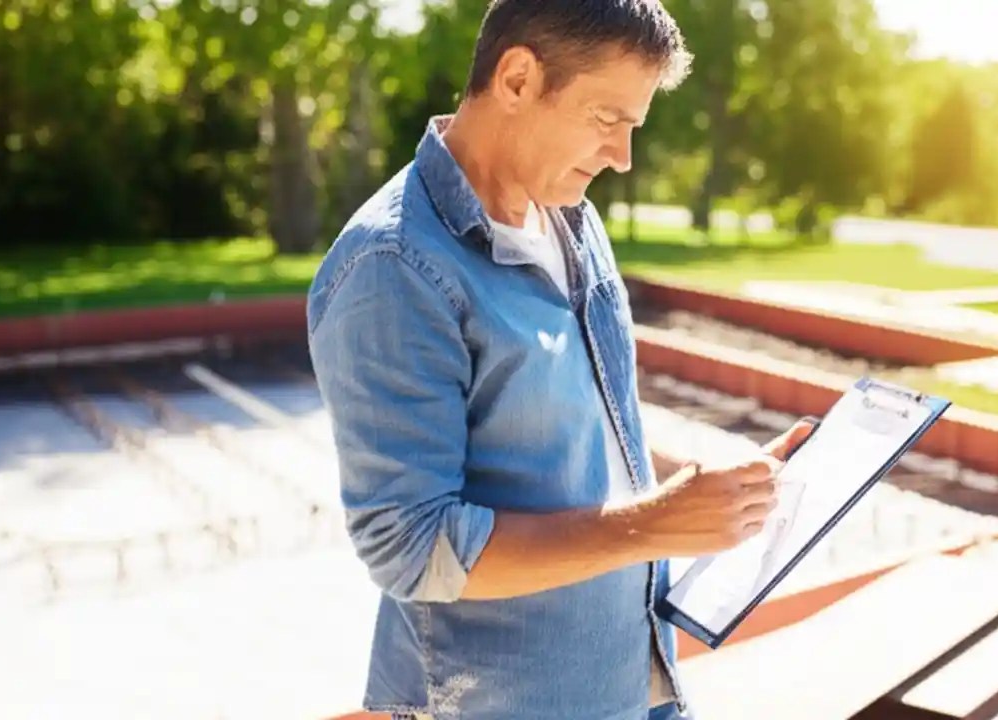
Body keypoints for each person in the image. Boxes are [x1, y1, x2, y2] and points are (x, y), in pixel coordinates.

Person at [306, 1, 812, 718]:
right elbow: (412, 548)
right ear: (516, 79)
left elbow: (584, 432)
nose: (623, 157)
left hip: (635, 682)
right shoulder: (392, 266)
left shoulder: (569, 214)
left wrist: (717, 491)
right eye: (608, 120)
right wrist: (658, 524)